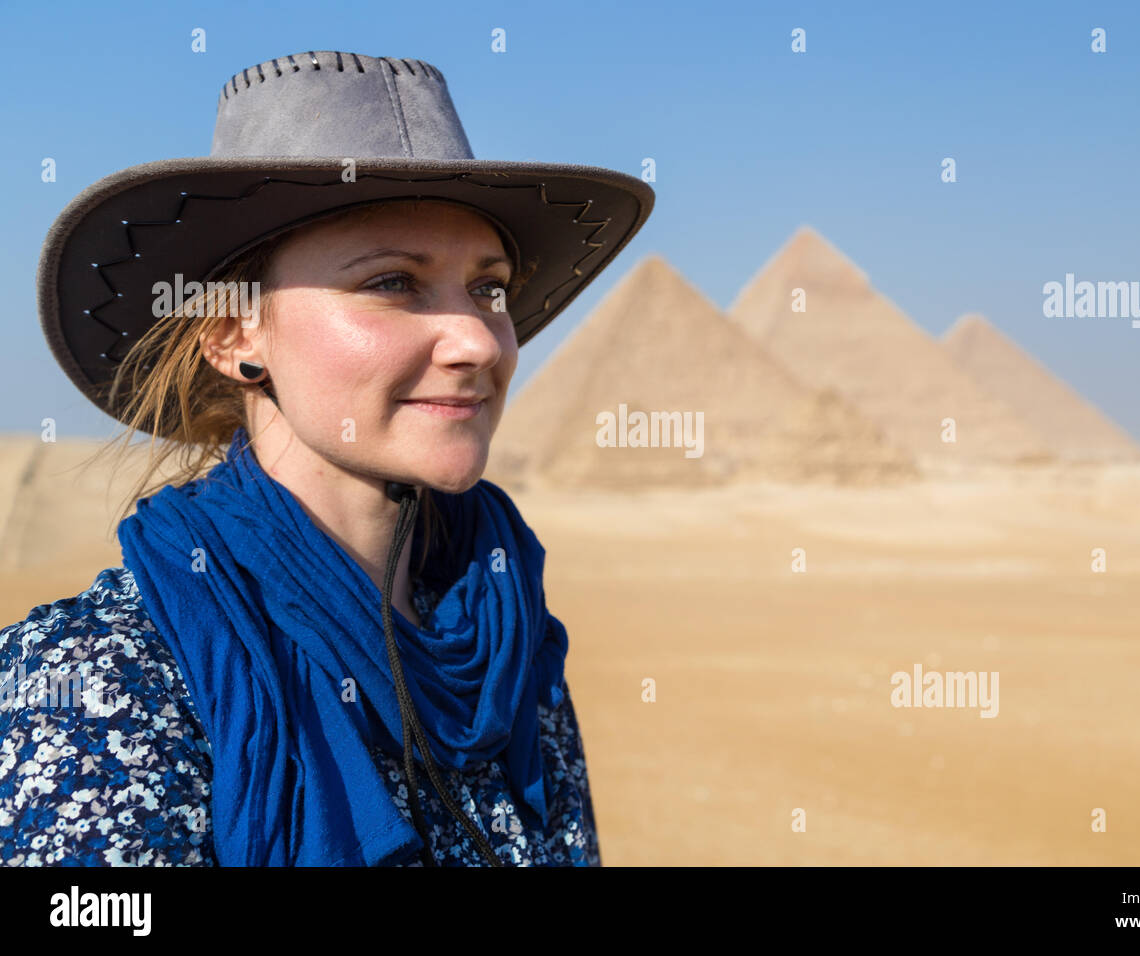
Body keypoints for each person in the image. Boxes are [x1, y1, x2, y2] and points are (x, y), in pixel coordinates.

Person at [0, 50, 654, 866]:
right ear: (235, 333)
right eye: (392, 282)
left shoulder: (505, 638)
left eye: (489, 288)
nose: (478, 339)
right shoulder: (100, 677)